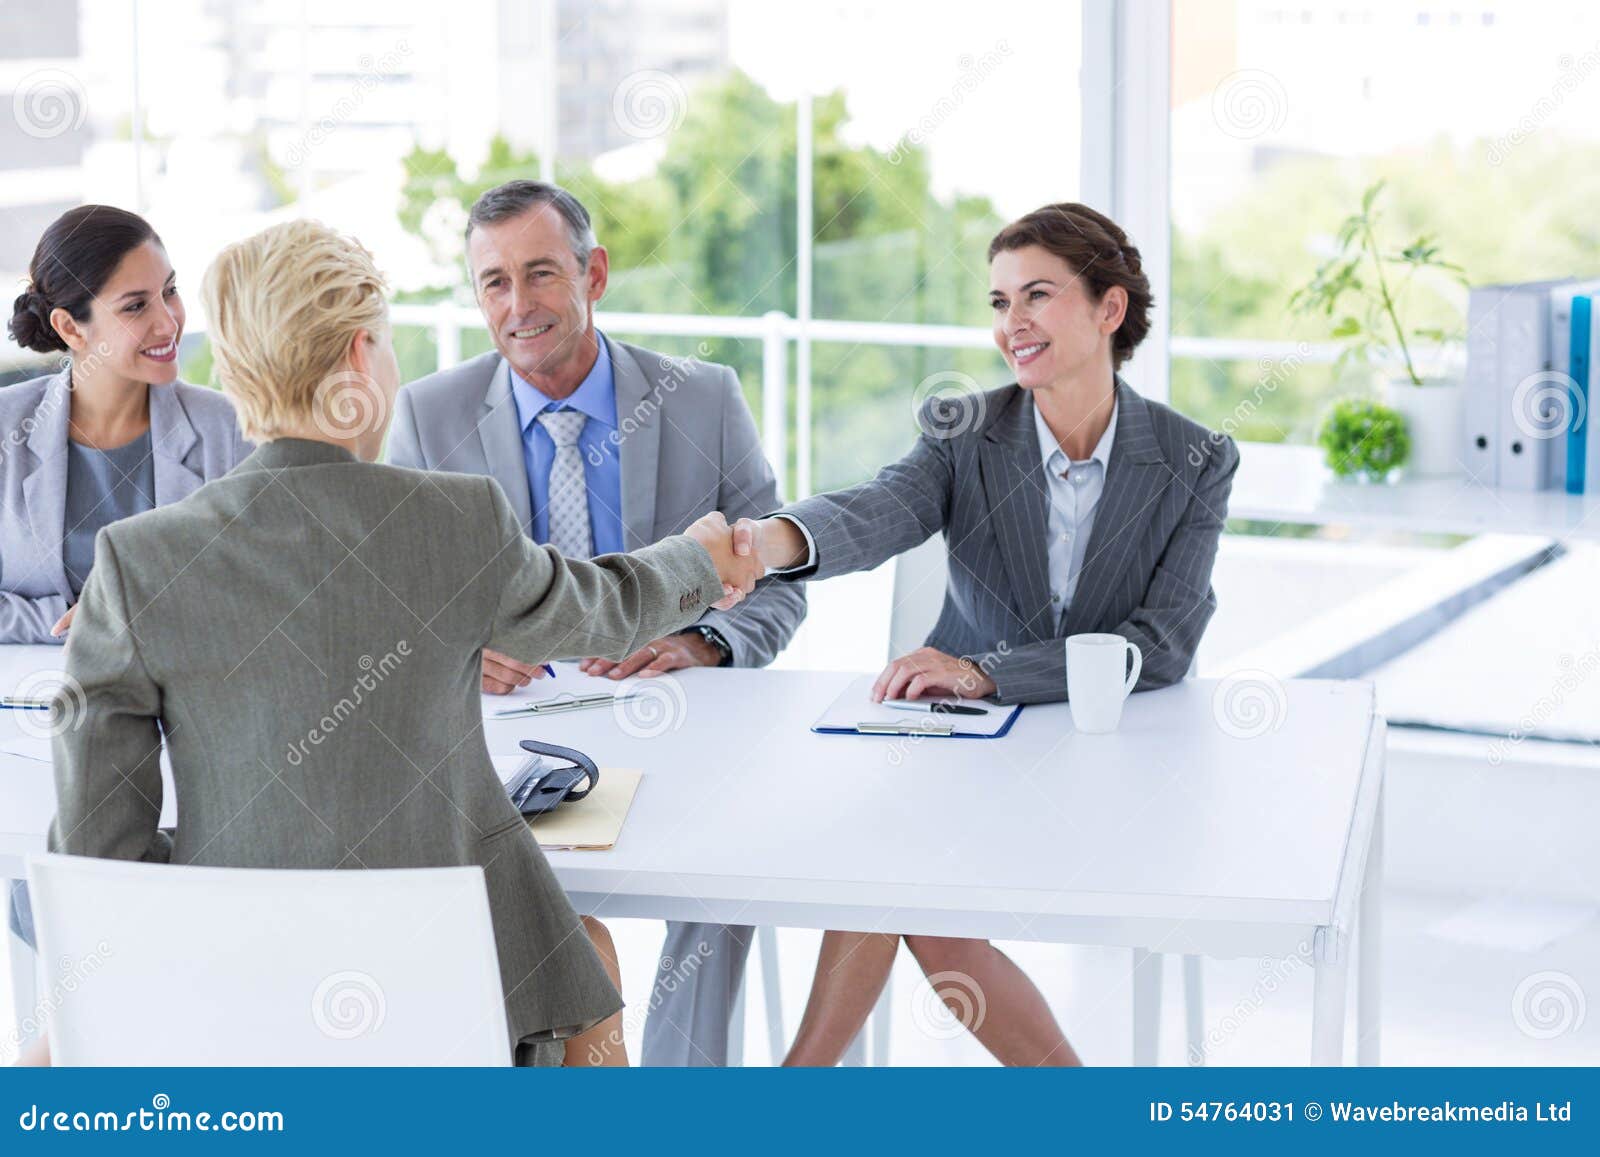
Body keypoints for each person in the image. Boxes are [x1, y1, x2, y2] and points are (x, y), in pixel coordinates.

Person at [36, 219, 763, 1067]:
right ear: (357, 355)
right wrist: (701, 562)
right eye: (384, 345)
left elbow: (95, 846)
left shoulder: (136, 558)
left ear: (232, 371)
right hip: (442, 1012)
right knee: (583, 966)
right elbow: (600, 607)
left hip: (238, 1016)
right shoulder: (455, 517)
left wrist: (228, 870)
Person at [732, 202, 1240, 1065]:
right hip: (964, 757)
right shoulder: (962, 430)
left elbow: (1160, 645)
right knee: (891, 871)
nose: (1013, 325)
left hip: (1110, 753)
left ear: (1109, 309)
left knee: (903, 883)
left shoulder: (1196, 460)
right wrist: (764, 543)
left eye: (1036, 295)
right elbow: (881, 507)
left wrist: (980, 670)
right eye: (999, 302)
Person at [386, 179, 805, 1066]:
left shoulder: (701, 397)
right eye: (494, 281)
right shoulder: (430, 415)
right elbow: (389, 599)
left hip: (679, 722)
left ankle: (682, 1096)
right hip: (512, 745)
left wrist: (706, 638)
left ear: (595, 274)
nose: (518, 304)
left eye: (541, 274)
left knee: (715, 878)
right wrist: (453, 644)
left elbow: (778, 580)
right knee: (521, 893)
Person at [2, 205, 250, 1045]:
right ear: (71, 325)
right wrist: (67, 620)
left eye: (171, 293)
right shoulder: (8, 433)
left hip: (200, 735)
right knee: (73, 918)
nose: (170, 321)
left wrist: (146, 615)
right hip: (47, 732)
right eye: (137, 305)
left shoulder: (218, 428)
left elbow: (255, 587)